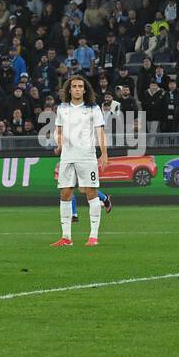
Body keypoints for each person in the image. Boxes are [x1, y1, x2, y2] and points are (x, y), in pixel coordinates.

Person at [52, 75, 108, 247]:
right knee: (65, 193)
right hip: (67, 156)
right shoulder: (62, 108)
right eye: (74, 86)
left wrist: (104, 153)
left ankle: (93, 236)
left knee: (90, 192)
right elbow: (58, 131)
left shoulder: (93, 109)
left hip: (87, 156)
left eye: (80, 86)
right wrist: (59, 145)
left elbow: (100, 132)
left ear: (85, 90)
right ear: (69, 89)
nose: (77, 89)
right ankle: (66, 237)